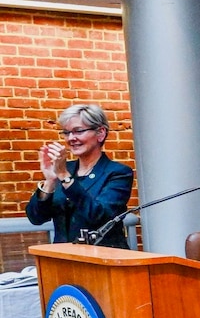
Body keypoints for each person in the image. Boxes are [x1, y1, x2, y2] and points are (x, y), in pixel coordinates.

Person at [26, 104, 134, 248]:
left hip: (103, 260)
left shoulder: (118, 173)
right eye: (66, 132)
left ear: (100, 133)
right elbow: (36, 217)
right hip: (63, 260)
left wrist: (64, 176)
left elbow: (99, 216)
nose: (71, 138)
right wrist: (50, 181)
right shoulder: (64, 168)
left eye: (78, 131)